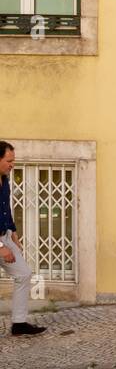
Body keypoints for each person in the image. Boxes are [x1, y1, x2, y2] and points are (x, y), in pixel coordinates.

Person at [0, 141, 46, 336]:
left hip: (5, 235)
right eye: (9, 160)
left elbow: (5, 209)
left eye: (14, 161)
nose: (12, 165)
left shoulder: (6, 180)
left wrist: (13, 233)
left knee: (24, 273)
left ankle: (18, 323)